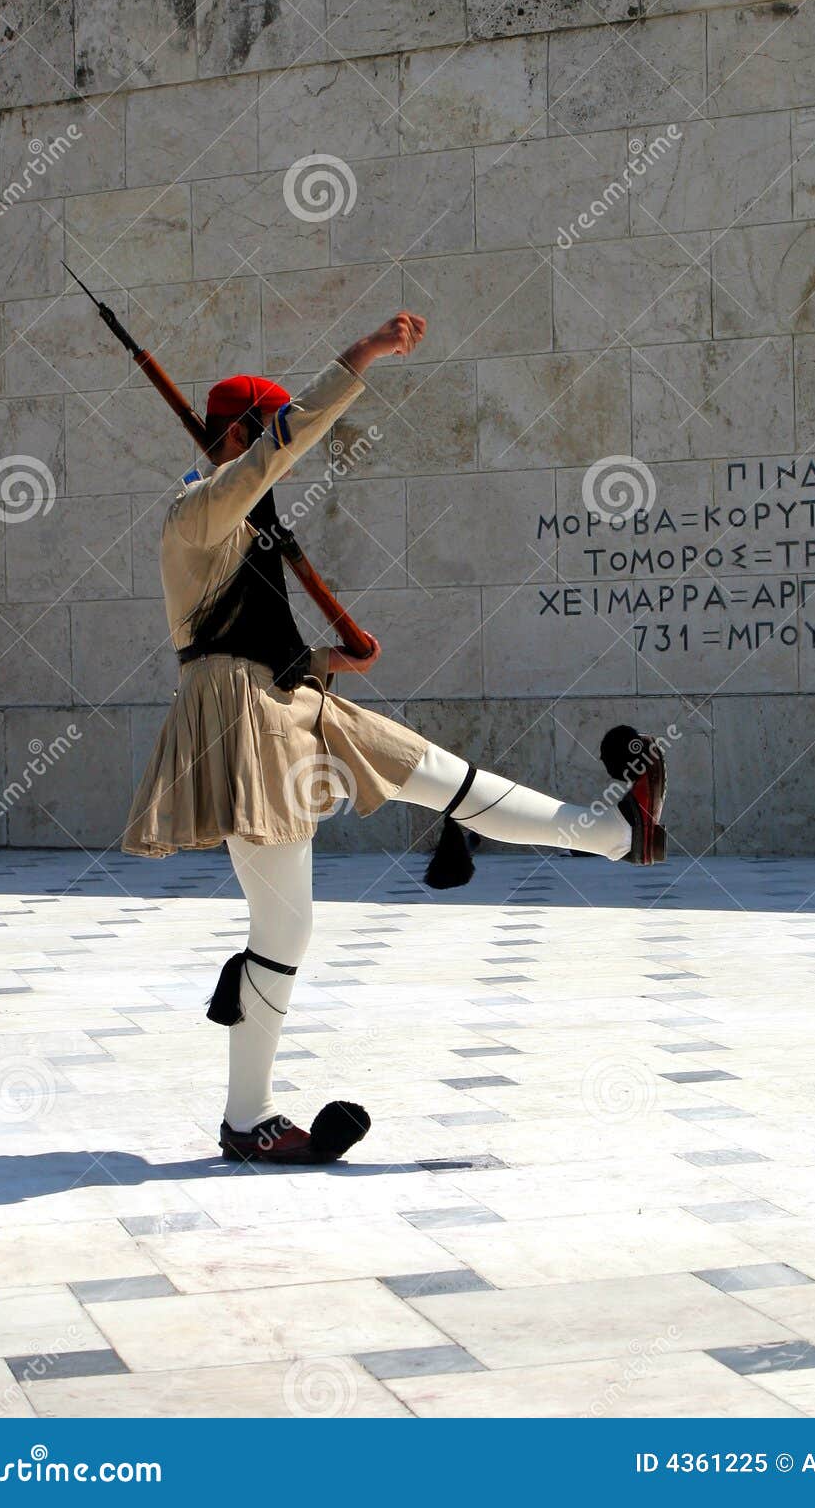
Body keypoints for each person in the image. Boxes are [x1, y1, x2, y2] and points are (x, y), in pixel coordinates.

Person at [122, 312, 665, 1164]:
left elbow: (248, 629)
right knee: (285, 929)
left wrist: (326, 656)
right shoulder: (198, 510)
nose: (276, 452)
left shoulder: (239, 520)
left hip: (291, 697)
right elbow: (270, 476)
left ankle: (613, 832)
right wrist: (362, 357)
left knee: (443, 775)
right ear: (242, 433)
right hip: (240, 720)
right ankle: (247, 1118)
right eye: (264, 434)